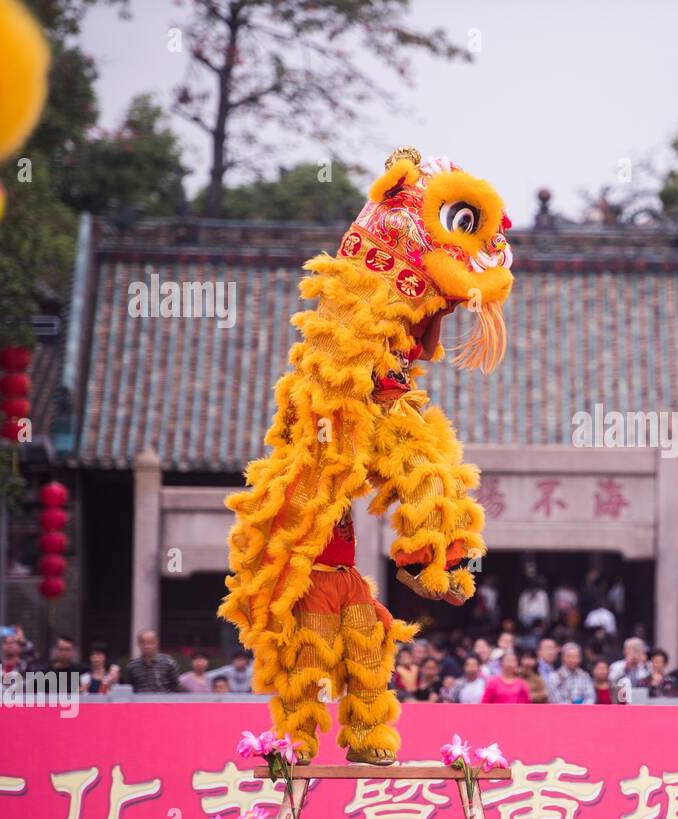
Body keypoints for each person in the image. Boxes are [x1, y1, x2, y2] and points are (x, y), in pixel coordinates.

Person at [218, 147, 514, 766]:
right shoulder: (339, 372)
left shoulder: (394, 383)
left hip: (344, 558)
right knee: (308, 651)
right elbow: (342, 408)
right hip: (308, 543)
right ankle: (295, 742)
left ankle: (434, 566)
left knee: (369, 636)